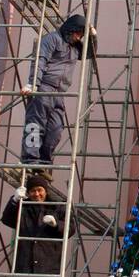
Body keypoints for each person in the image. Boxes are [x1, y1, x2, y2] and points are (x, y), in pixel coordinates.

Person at [20, 13, 94, 165]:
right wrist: (33, 83)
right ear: (70, 29)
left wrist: (93, 37)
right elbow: (40, 60)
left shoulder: (74, 48)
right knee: (35, 124)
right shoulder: (52, 39)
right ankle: (31, 158)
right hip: (43, 88)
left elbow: (90, 53)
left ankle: (44, 161)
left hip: (59, 93)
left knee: (56, 130)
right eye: (78, 33)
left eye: (81, 35)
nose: (79, 37)